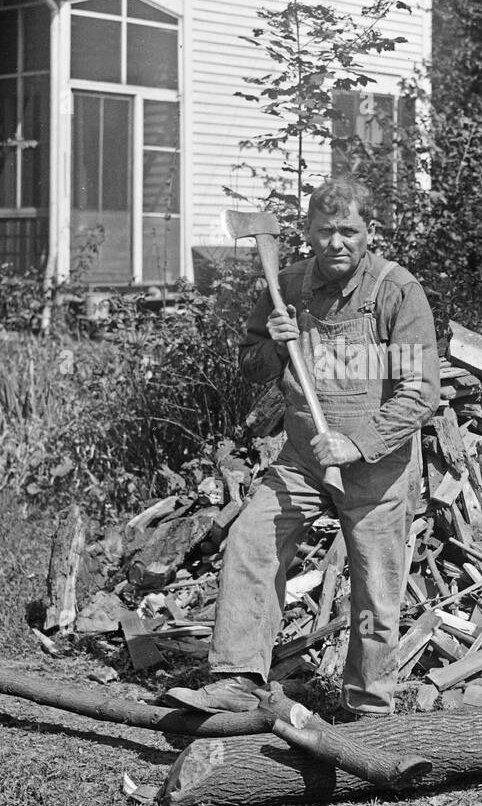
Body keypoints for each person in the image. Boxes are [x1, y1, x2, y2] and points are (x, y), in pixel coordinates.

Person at [188, 179, 440, 717]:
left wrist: (357, 443)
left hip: (378, 467)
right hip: (303, 460)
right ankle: (237, 678)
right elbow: (251, 366)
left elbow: (421, 392)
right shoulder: (288, 287)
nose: (337, 242)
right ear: (306, 233)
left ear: (369, 232)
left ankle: (367, 704)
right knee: (252, 539)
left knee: (375, 583)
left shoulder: (396, 292)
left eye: (349, 230)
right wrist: (274, 345)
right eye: (325, 231)